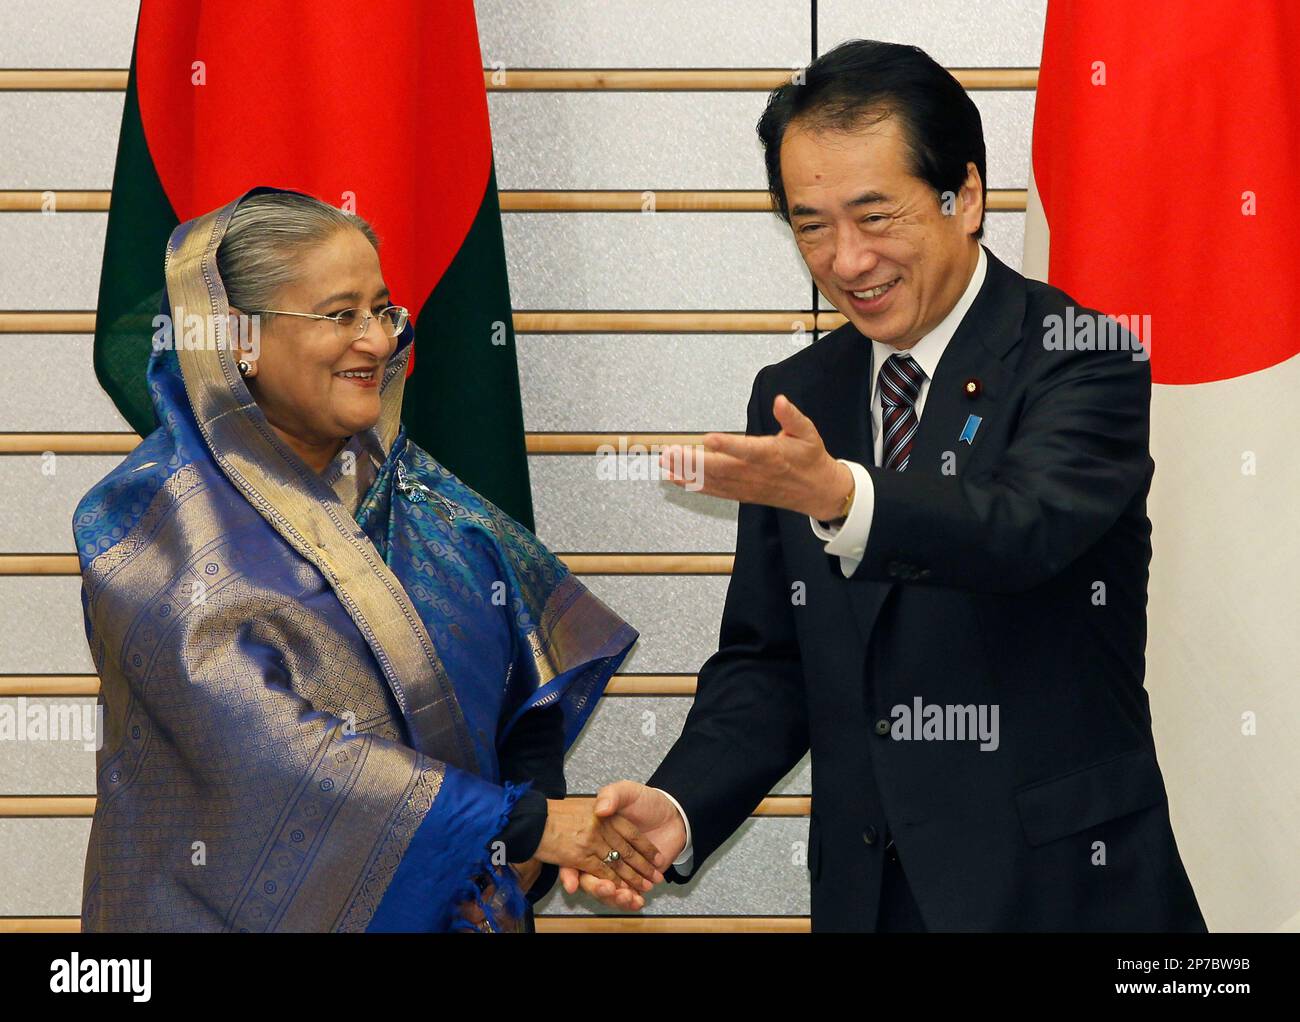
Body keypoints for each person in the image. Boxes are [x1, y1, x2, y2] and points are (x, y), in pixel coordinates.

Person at [563, 39, 1207, 932]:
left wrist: (843, 497)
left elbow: (1021, 528)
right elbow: (772, 657)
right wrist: (677, 807)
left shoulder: (1078, 354)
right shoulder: (798, 393)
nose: (847, 260)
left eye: (876, 216)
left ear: (967, 197)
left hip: (1064, 894)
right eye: (811, 224)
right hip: (870, 899)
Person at [73, 186, 663, 933]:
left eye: (382, 311)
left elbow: (521, 683)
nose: (379, 342)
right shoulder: (154, 524)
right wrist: (520, 823)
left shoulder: (419, 499)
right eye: (340, 315)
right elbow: (269, 756)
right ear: (238, 338)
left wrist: (525, 839)